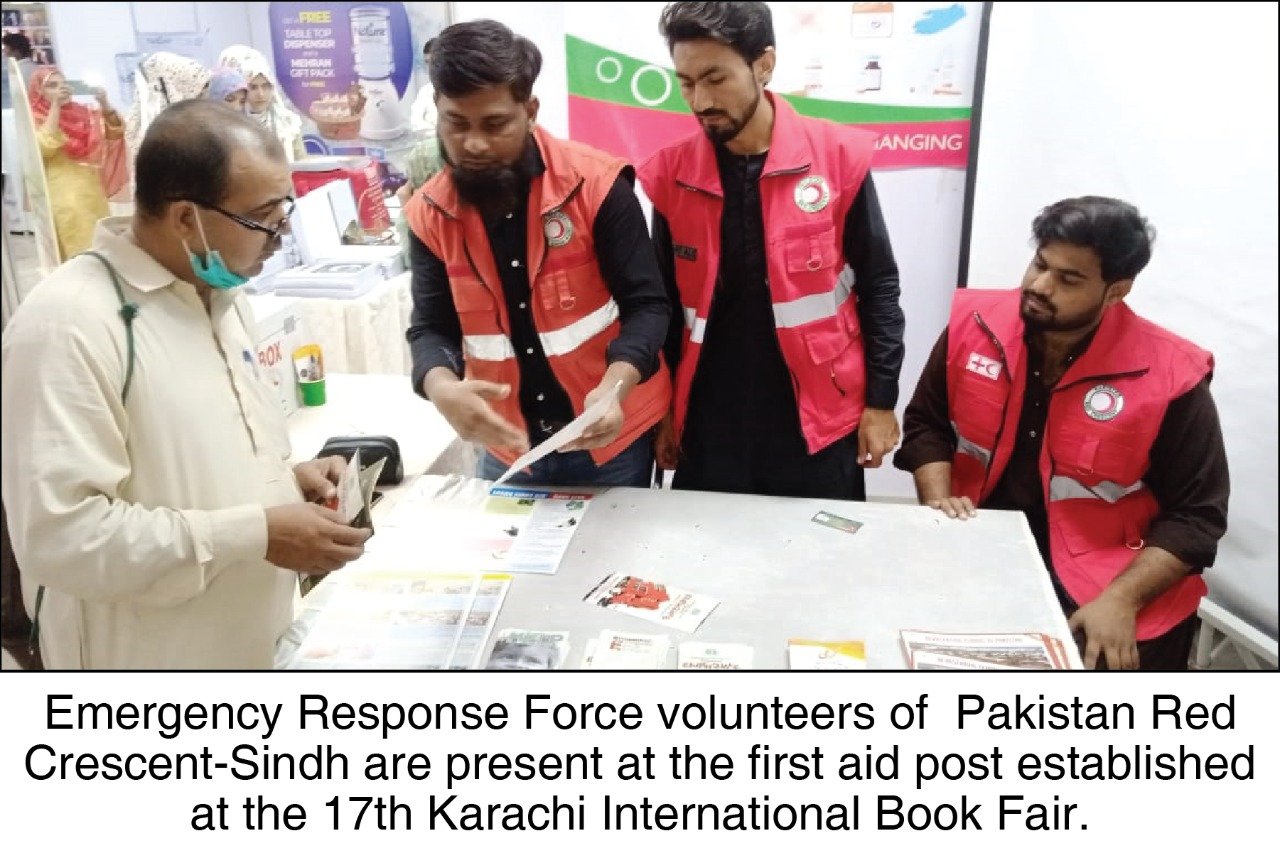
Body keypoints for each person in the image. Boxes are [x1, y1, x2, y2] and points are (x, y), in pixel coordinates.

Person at [0, 100, 371, 669]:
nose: (279, 236)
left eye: (285, 214)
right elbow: (62, 539)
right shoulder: (69, 324)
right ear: (184, 219)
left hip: (250, 645)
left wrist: (288, 483)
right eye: (263, 219)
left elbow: (193, 462)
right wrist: (257, 532)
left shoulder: (222, 297)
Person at [894, 196, 1229, 671]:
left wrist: (1122, 600)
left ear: (1117, 291)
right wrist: (938, 505)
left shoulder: (1171, 375)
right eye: (1039, 265)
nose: (1038, 286)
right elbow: (927, 422)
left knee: (1101, 668)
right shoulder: (977, 324)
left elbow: (1197, 517)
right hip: (976, 544)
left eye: (1069, 279)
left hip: (1105, 575)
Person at [638, 2, 905, 500]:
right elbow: (662, 310)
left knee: (815, 561)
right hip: (710, 421)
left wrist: (881, 400)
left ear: (764, 64)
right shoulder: (672, 175)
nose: (699, 101)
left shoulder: (837, 159)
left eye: (715, 79)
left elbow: (880, 286)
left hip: (816, 419)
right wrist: (663, 413)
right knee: (707, 565)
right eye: (686, 82)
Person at [404, 20, 672, 488]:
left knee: (609, 561)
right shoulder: (427, 213)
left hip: (611, 437)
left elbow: (648, 306)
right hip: (509, 446)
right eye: (456, 123)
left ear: (530, 110)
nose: (474, 144)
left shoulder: (597, 186)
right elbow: (431, 326)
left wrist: (614, 389)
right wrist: (441, 387)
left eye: (495, 124)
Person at [29, 67, 129, 259]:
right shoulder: (36, 116)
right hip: (65, 196)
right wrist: (55, 107)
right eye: (52, 86)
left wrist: (104, 103)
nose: (61, 88)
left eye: (64, 83)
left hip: (93, 193)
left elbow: (116, 131)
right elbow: (43, 148)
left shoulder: (83, 113)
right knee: (79, 250)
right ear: (39, 91)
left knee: (103, 249)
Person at [218, 45, 305, 162]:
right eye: (253, 87)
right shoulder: (227, 126)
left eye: (266, 86)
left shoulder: (287, 122)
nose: (261, 94)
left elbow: (302, 163)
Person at [124, 52, 212, 162]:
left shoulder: (195, 128)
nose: (201, 104)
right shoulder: (137, 133)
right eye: (196, 95)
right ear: (172, 91)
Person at [409, 37, 437, 136]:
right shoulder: (426, 91)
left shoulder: (461, 88)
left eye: (433, 62)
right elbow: (414, 121)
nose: (430, 67)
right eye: (427, 62)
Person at [2, 31, 36, 109]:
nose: (3, 52)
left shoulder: (14, 73)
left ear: (16, 51)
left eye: (6, 48)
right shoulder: (36, 68)